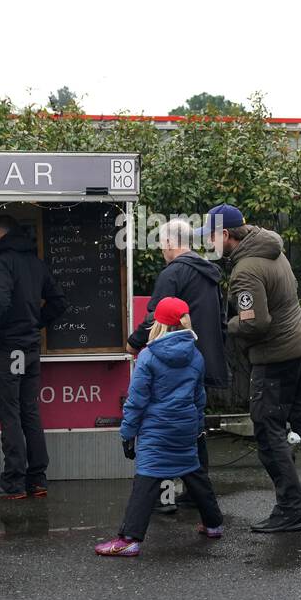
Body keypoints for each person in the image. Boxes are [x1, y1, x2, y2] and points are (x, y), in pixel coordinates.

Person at [203, 204, 301, 532]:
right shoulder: (271, 249)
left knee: (268, 430)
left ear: (226, 235)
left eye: (211, 236)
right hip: (300, 346)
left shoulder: (245, 270)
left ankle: (290, 509)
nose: (209, 243)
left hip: (275, 359)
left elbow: (255, 323)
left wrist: (228, 326)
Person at [96, 297, 224, 556]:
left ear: (158, 324)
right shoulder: (195, 355)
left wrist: (127, 433)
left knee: (147, 478)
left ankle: (130, 539)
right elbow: (199, 397)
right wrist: (196, 426)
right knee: (194, 473)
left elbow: (137, 401)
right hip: (185, 426)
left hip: (157, 429)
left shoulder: (148, 357)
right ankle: (213, 524)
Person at [128, 219, 229, 513]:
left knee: (165, 422)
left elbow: (155, 317)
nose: (161, 248)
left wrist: (134, 342)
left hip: (174, 360)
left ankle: (163, 494)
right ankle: (198, 490)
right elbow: (221, 321)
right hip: (202, 357)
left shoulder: (173, 273)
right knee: (195, 424)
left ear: (171, 243)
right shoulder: (209, 273)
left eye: (162, 242)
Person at [0, 215, 68, 500]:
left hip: (8, 349)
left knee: (9, 413)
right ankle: (37, 479)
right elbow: (60, 302)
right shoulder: (35, 263)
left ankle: (13, 481)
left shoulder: (1, 262)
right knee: (30, 411)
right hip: (29, 347)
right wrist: (34, 323)